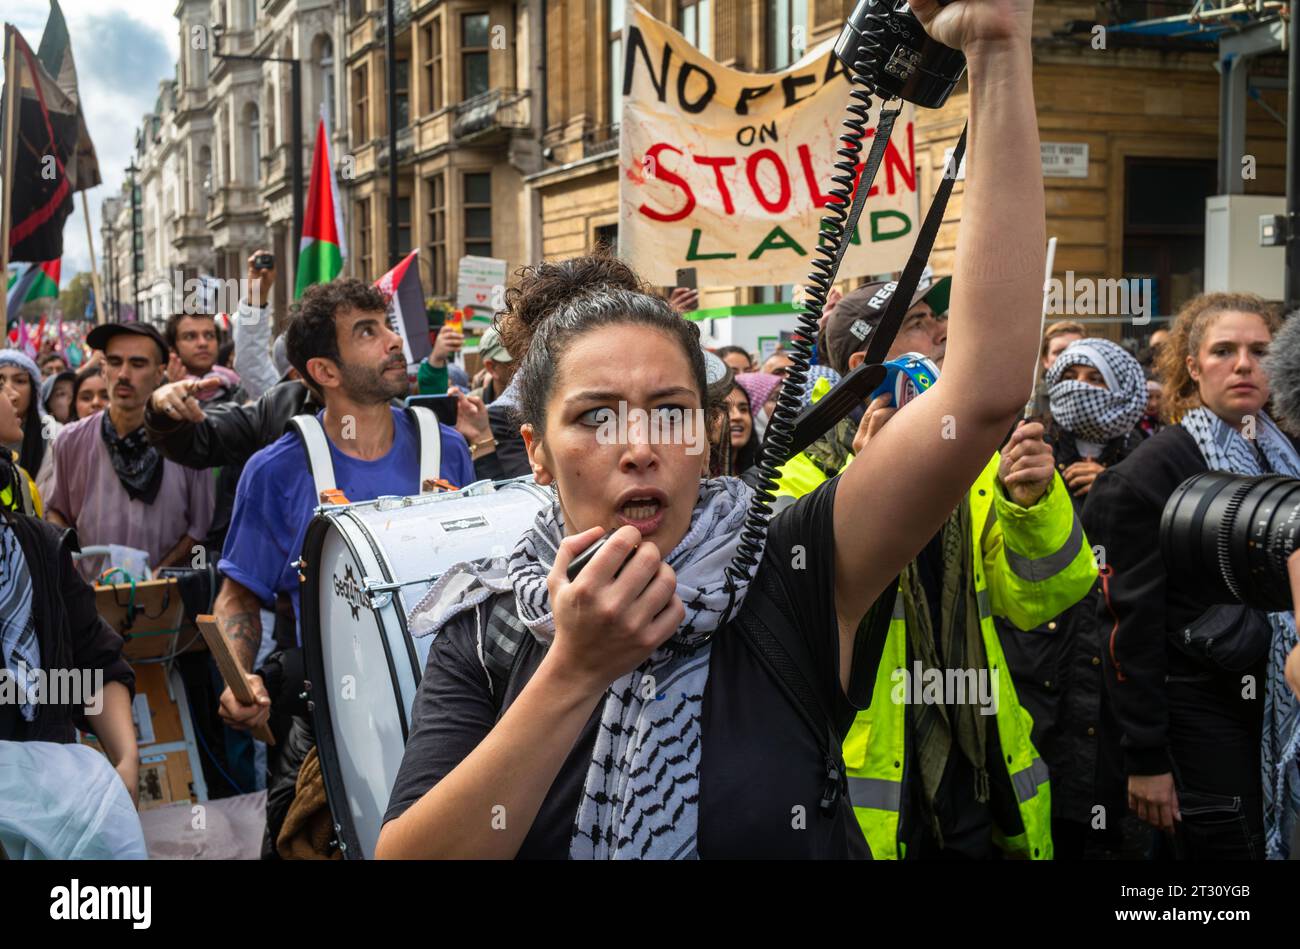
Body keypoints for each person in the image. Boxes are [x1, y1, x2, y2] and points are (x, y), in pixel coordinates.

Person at [375, 0, 1050, 857]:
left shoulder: (793, 568)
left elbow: (984, 392)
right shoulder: (489, 627)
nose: (640, 443)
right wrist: (576, 669)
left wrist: (997, 46)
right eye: (594, 416)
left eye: (670, 408)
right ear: (535, 451)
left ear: (708, 431)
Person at [211, 278, 474, 857]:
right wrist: (241, 677)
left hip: (453, 713)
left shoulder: (447, 448)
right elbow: (237, 597)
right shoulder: (276, 469)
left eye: (387, 326)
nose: (393, 341)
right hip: (329, 720)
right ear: (324, 371)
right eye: (367, 332)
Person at [1084, 291, 1294, 859]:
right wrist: (1145, 759)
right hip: (1198, 719)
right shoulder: (1149, 474)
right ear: (1193, 366)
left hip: (1278, 712)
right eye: (1224, 350)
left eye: (1260, 350)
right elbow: (1128, 629)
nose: (1244, 364)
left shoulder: (1288, 456)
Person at [998, 337, 1148, 859]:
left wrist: (1117, 486)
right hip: (1039, 666)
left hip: (1116, 669)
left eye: (1095, 379)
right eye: (1069, 376)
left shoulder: (1150, 458)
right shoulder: (1025, 451)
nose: (1079, 390)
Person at [0, 385, 138, 803]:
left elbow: (93, 663)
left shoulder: (41, 545)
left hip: (46, 803)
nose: (10, 393)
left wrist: (126, 760)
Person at [45, 323, 214, 581]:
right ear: (103, 369)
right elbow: (56, 512)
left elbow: (199, 530)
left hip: (167, 603)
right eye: (114, 362)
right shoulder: (70, 441)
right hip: (91, 602)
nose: (123, 374)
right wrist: (74, 568)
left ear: (160, 374)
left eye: (137, 364)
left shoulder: (188, 440)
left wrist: (157, 578)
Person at [0, 350, 60, 503]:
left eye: (19, 381)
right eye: (0, 384)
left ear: (34, 390)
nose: (11, 392)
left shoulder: (56, 435)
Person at [164, 309, 246, 406]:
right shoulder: (157, 391)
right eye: (190, 337)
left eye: (209, 335)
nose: (203, 343)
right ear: (173, 348)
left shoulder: (237, 384)